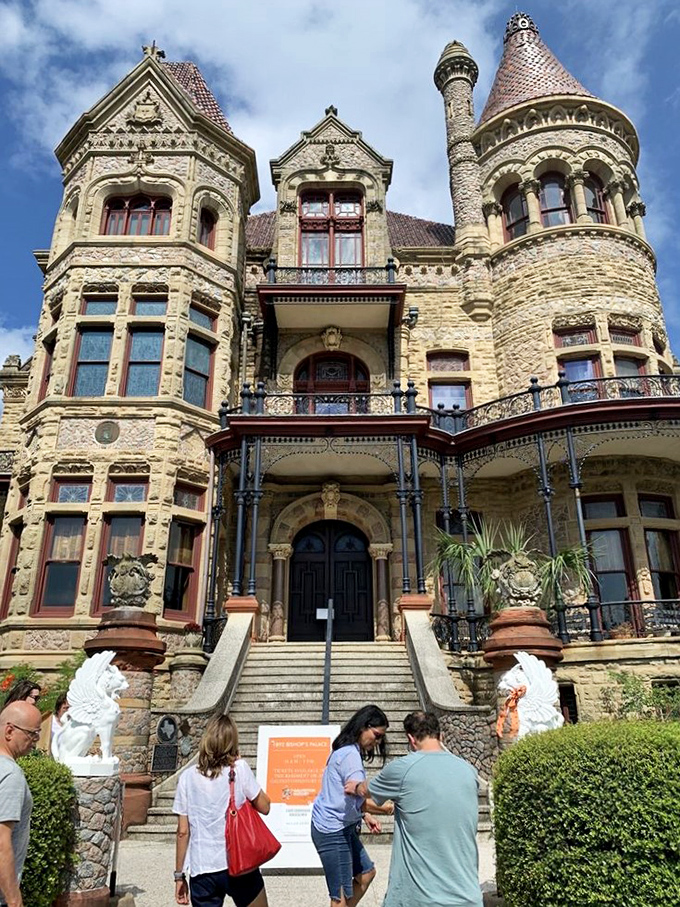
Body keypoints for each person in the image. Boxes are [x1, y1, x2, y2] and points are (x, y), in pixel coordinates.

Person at [350, 710, 482, 907]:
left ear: (411, 739)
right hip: (468, 896)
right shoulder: (469, 771)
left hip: (419, 898)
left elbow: (365, 791)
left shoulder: (403, 769)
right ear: (441, 736)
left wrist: (354, 785)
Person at [172, 714, 271, 907]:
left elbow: (182, 832)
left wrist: (179, 876)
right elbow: (265, 807)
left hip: (203, 867)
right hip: (240, 862)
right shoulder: (239, 769)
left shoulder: (187, 777)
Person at [311, 704, 391, 907]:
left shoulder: (348, 750)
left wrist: (365, 815)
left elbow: (348, 796)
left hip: (343, 826)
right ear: (364, 727)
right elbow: (359, 791)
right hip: (332, 830)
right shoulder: (350, 756)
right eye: (376, 735)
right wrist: (387, 805)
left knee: (366, 874)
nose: (378, 741)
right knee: (340, 897)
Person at [0, 700, 42, 907]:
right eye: (32, 734)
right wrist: (14, 902)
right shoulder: (10, 775)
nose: (35, 741)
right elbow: (1, 843)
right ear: (10, 731)